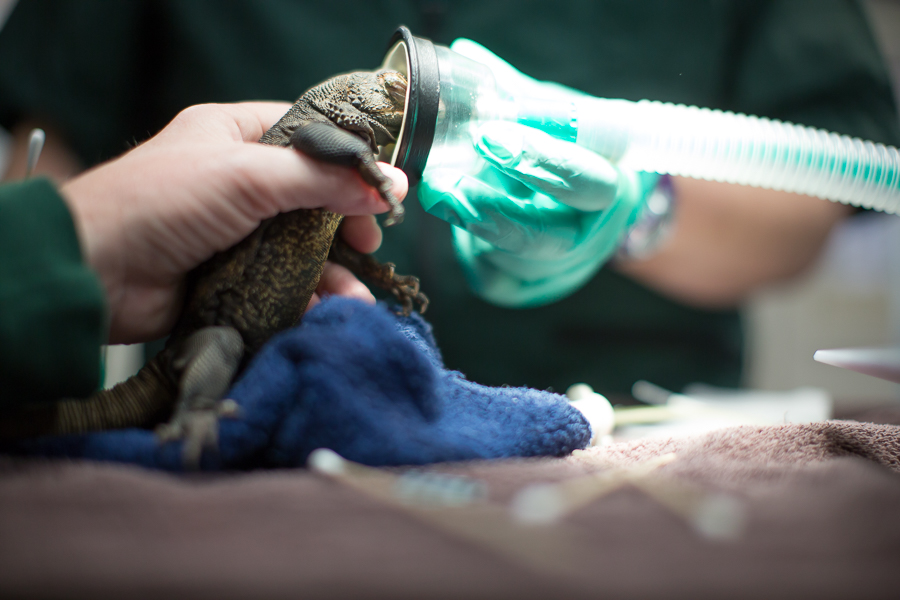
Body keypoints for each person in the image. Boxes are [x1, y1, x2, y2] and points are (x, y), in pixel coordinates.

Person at [1, 0, 898, 401]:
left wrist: (638, 212)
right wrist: (70, 261)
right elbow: (51, 158)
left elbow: (813, 194)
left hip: (631, 424)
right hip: (255, 410)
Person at [0, 101, 407, 407]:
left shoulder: (317, 199)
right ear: (352, 97)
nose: (399, 104)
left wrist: (379, 272)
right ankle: (194, 415)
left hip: (239, 331)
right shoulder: (321, 135)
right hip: (210, 340)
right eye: (390, 91)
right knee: (223, 350)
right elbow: (53, 113)